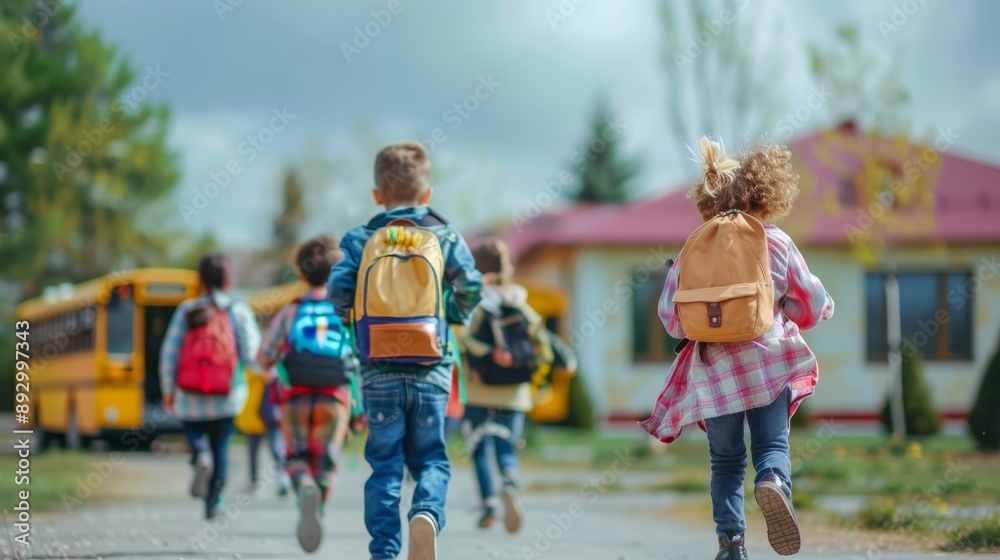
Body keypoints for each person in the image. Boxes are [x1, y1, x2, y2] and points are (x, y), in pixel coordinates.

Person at [639, 138, 834, 560]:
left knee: (725, 462)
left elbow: (671, 316)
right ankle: (773, 483)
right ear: (766, 192)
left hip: (714, 372)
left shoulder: (693, 246)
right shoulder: (776, 240)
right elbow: (811, 303)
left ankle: (731, 543)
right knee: (772, 446)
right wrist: (795, 312)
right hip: (770, 361)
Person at [328, 141, 482, 560]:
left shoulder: (361, 238)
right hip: (432, 367)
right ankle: (427, 515)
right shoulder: (445, 235)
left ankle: (384, 552)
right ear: (427, 194)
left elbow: (338, 290)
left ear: (377, 194)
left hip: (378, 369)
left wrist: (354, 320)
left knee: (384, 465)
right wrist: (448, 316)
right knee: (432, 456)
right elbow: (471, 286)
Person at [258, 235, 357, 553]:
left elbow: (264, 357)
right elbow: (359, 356)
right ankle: (320, 508)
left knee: (296, 457)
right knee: (326, 461)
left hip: (296, 396)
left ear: (301, 273)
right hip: (335, 397)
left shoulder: (291, 310)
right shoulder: (346, 310)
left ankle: (303, 488)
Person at [458, 238, 553, 533]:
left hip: (478, 390)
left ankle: (488, 503)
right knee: (506, 449)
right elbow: (543, 345)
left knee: (478, 448)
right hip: (515, 392)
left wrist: (487, 353)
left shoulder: (473, 302)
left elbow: (462, 339)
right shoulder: (519, 301)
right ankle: (510, 482)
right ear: (506, 268)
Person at [160, 253, 261, 520]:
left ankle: (199, 455)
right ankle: (213, 502)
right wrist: (271, 372)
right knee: (222, 447)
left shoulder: (187, 310)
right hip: (226, 395)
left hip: (190, 395)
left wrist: (168, 389)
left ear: (200, 280)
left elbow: (170, 352)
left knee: (194, 434)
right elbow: (252, 354)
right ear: (229, 280)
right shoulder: (238, 311)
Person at [234, 367, 290, 495]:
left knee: (257, 450)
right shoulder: (273, 370)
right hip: (270, 413)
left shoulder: (248, 370)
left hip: (256, 413)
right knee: (274, 448)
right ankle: (283, 477)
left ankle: (256, 480)